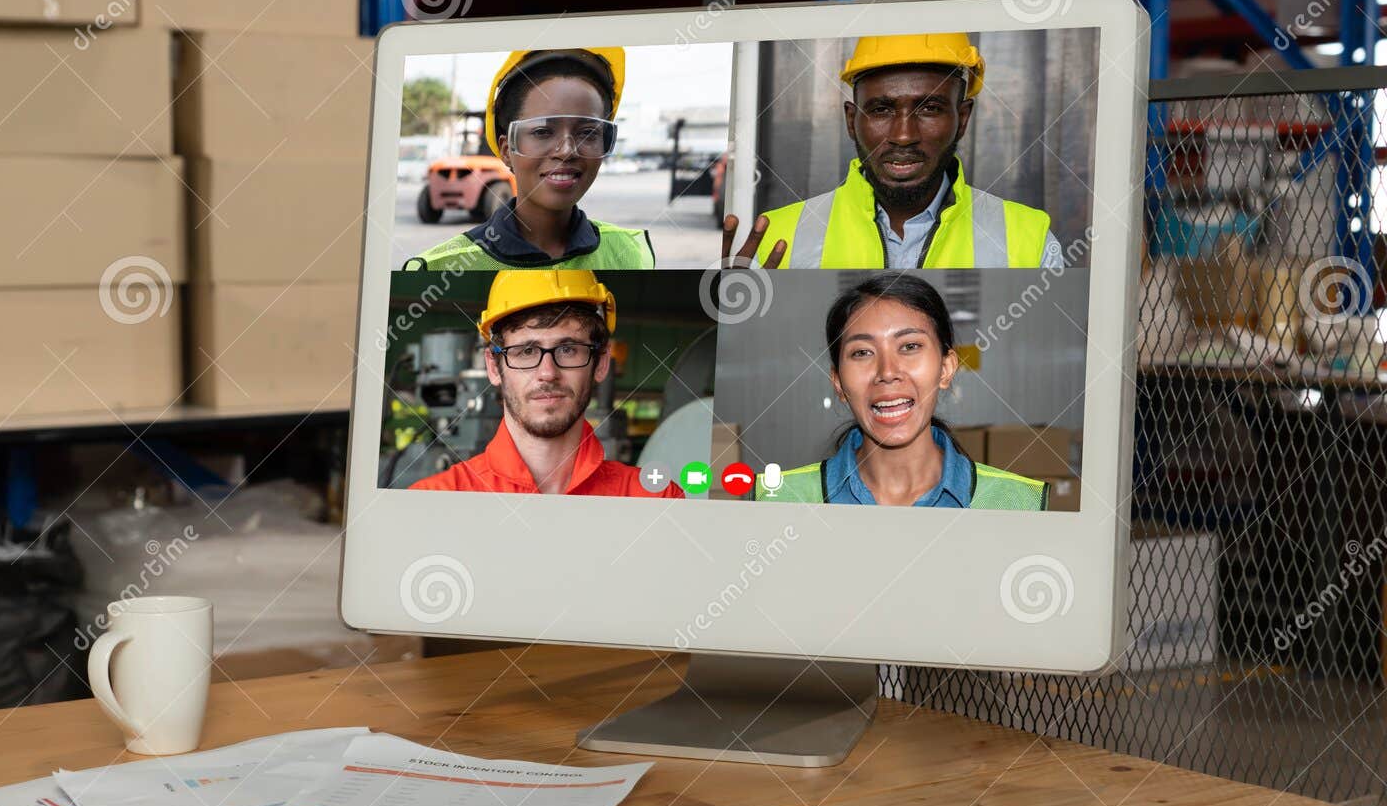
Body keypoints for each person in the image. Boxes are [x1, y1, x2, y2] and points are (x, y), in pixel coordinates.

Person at [721, 33, 1063, 271]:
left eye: (929, 109)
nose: (903, 136)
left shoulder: (1030, 241)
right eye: (881, 110)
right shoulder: (774, 238)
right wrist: (731, 320)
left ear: (962, 119)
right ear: (852, 120)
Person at [754, 273, 1049, 509]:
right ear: (838, 383)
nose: (887, 372)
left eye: (909, 346)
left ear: (946, 368)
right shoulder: (780, 498)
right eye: (862, 352)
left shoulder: (1018, 503)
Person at [411, 269, 681, 497]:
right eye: (527, 351)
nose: (548, 373)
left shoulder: (655, 500)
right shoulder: (434, 501)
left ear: (600, 362)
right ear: (493, 367)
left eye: (568, 349)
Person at [403, 48, 655, 271]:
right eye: (542, 132)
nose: (567, 151)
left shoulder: (630, 253)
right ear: (506, 150)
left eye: (587, 133)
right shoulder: (436, 269)